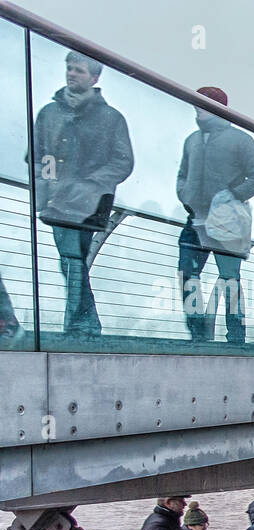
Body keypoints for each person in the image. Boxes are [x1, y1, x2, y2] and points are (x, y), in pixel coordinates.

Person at [31, 51, 134, 338]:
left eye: (78, 70)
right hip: (57, 202)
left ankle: (81, 325)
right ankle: (84, 324)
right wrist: (45, 185)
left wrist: (89, 185)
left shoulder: (111, 118)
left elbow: (122, 162)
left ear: (94, 77)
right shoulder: (49, 114)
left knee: (72, 260)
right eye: (69, 69)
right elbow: (35, 156)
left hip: (91, 206)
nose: (72, 74)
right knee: (71, 261)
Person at [175, 87, 254, 344]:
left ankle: (236, 336)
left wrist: (232, 195)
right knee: (186, 275)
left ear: (217, 107)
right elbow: (182, 174)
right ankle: (198, 334)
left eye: (202, 102)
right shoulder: (192, 140)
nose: (196, 106)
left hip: (228, 222)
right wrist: (185, 196)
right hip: (195, 220)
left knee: (230, 279)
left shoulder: (240, 139)